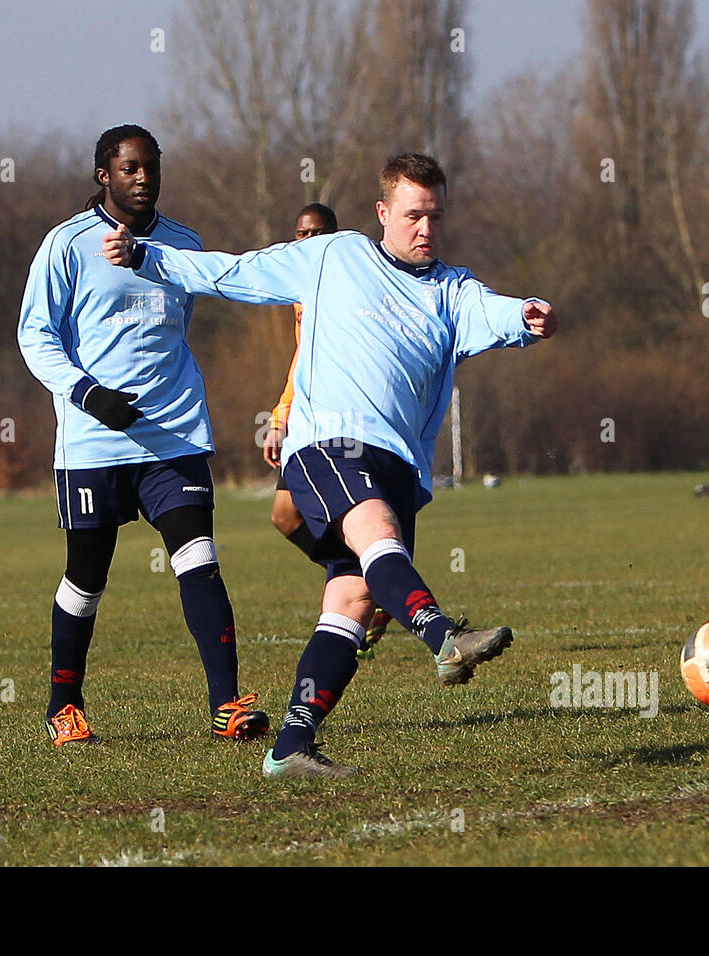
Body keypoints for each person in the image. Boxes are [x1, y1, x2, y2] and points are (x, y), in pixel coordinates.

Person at [104, 152, 557, 777]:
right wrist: (150, 256)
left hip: (399, 460)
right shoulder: (334, 256)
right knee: (377, 531)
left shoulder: (452, 289)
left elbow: (494, 311)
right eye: (412, 215)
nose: (425, 229)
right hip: (330, 443)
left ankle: (291, 746)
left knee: (351, 597)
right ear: (382, 213)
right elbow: (232, 273)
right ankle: (441, 636)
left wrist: (528, 314)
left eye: (435, 216)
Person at [17, 124, 269, 747]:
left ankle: (226, 705)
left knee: (199, 558)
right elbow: (35, 335)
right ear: (103, 174)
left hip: (173, 436)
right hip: (93, 442)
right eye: (129, 167)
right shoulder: (66, 245)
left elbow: (181, 319)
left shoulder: (184, 245)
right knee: (86, 578)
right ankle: (63, 704)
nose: (143, 178)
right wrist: (88, 393)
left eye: (150, 166)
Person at [262, 204, 393, 661]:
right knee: (285, 515)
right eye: (301, 234)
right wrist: (281, 417)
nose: (307, 242)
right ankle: (369, 578)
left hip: (344, 421)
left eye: (317, 234)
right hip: (305, 415)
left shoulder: (350, 283)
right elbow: (303, 361)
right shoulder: (301, 288)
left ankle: (376, 585)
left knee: (305, 514)